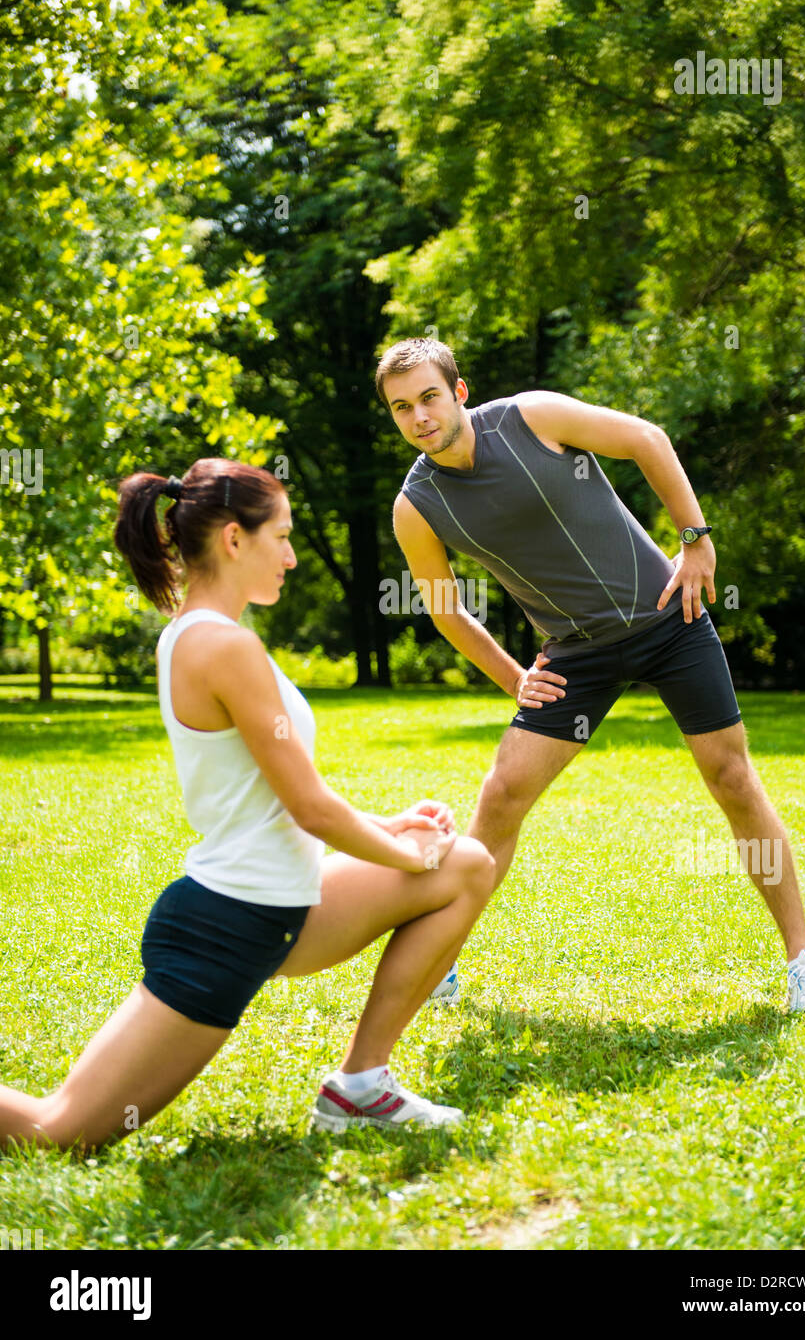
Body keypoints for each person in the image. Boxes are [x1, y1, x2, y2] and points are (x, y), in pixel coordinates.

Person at [0, 459, 496, 1151]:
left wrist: (389, 826)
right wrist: (402, 851)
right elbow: (312, 810)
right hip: (224, 930)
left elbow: (280, 794)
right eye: (283, 537)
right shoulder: (220, 645)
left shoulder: (202, 634)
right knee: (59, 1134)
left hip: (283, 907)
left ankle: (360, 1087)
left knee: (465, 864)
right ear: (234, 539)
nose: (292, 557)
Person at [379, 336, 805, 1015]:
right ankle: (438, 964)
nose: (418, 416)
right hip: (574, 654)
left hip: (667, 617)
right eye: (400, 407)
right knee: (501, 795)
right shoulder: (415, 505)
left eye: (428, 397)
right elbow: (445, 610)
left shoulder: (531, 416)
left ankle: (804, 962)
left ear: (458, 392)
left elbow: (647, 439)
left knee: (731, 778)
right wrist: (512, 678)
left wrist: (694, 538)